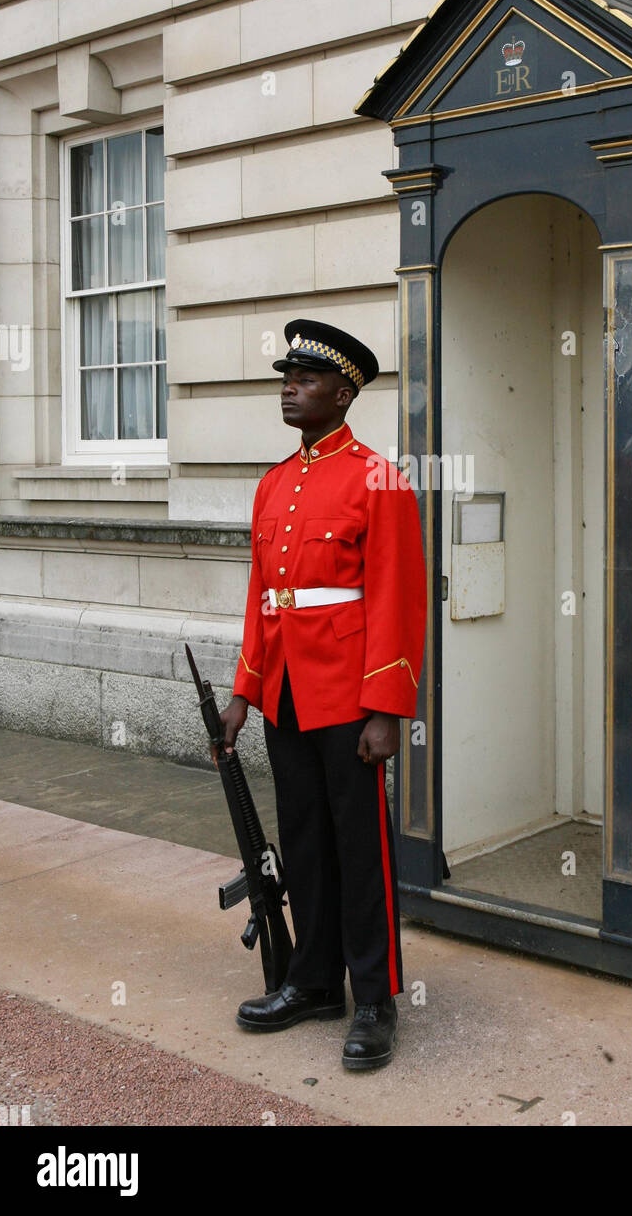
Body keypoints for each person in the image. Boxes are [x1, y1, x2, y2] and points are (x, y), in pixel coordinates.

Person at [219, 318, 426, 1071]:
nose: (289, 390)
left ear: (343, 393)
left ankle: (374, 997)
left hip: (349, 698)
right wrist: (244, 693)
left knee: (359, 852)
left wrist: (386, 709)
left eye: (304, 381)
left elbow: (398, 600)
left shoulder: (380, 479)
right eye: (286, 379)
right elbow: (262, 599)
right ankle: (313, 981)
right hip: (285, 695)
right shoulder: (273, 484)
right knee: (302, 842)